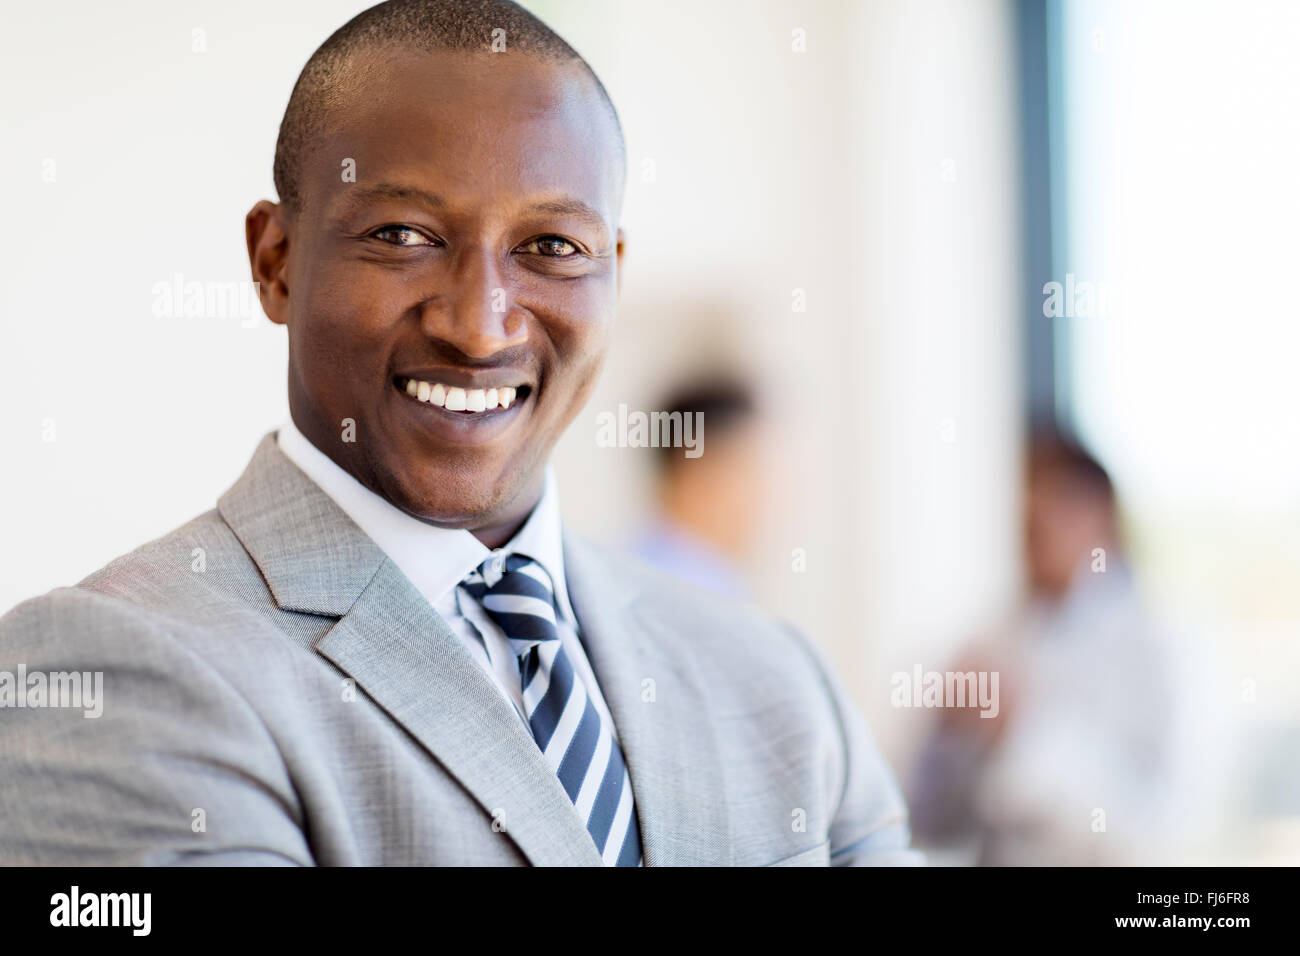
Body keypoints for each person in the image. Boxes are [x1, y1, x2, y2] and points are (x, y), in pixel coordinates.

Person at [0, 0, 919, 866]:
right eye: (403, 234)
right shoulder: (110, 669)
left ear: (615, 273)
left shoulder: (777, 684)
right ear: (276, 262)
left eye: (551, 247)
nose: (480, 326)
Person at [909, 433, 1222, 865]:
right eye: (1021, 520)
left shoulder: (1166, 644)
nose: (1025, 537)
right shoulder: (990, 638)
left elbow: (1161, 833)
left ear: (1098, 516)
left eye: (1041, 519)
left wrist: (1018, 730)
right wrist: (944, 736)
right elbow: (923, 821)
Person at [628, 378, 762, 601]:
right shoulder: (689, 588)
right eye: (749, 471)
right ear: (697, 470)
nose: (763, 499)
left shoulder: (722, 579)